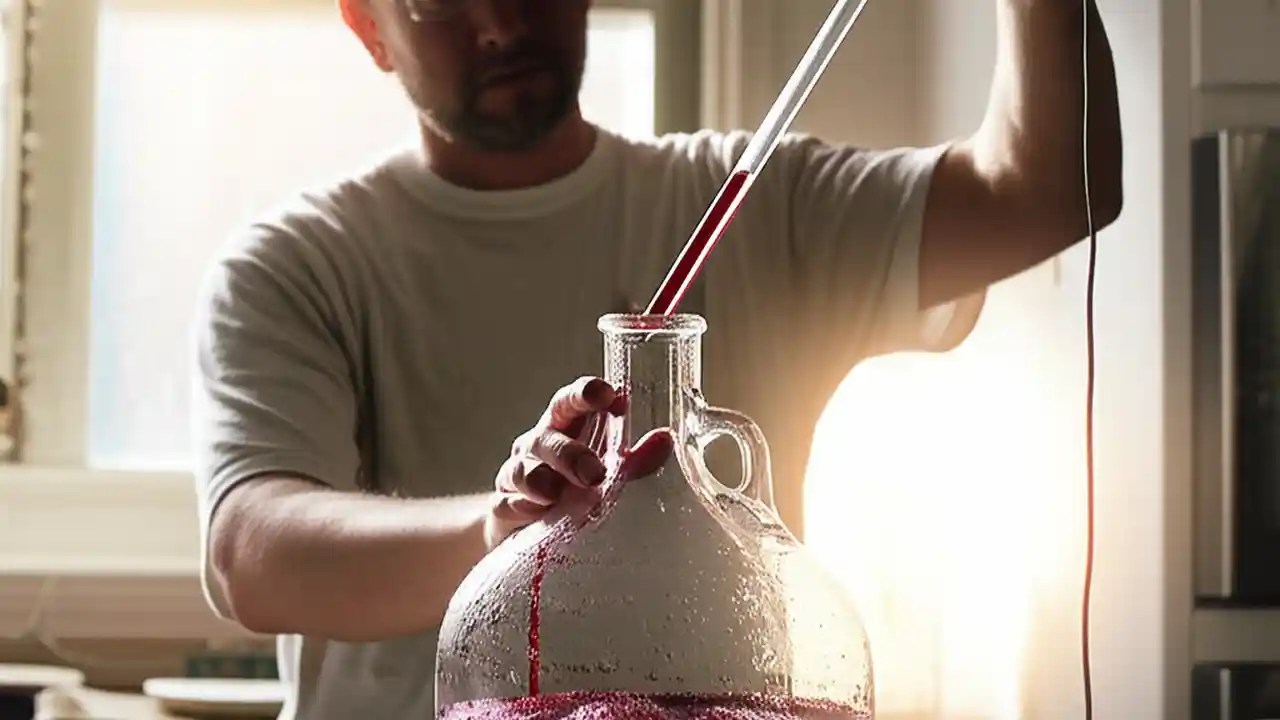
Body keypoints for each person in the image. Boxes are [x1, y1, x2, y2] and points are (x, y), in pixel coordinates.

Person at [190, 0, 1123, 717]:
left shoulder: (757, 200)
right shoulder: (297, 264)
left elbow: (1049, 184)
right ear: (369, 27)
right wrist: (503, 528)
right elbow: (249, 556)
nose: (501, 21)